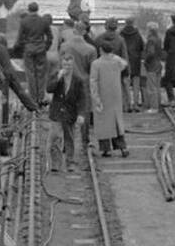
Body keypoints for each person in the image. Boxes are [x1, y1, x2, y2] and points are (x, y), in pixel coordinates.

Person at [60, 20, 98, 150]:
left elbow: (62, 64)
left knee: (67, 111)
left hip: (68, 81)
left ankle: (67, 142)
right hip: (83, 82)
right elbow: (92, 69)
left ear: (74, 30)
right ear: (85, 32)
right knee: (84, 111)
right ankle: (85, 140)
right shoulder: (91, 50)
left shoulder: (64, 46)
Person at [0, 31, 36, 114]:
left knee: (4, 98)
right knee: (20, 92)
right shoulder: (2, 47)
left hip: (3, 76)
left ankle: (4, 121)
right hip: (11, 72)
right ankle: (34, 108)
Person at [46, 56, 86, 172]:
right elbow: (49, 89)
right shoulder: (57, 76)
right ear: (61, 65)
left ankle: (70, 162)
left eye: (69, 65)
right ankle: (55, 164)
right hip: (57, 111)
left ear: (73, 65)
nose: (67, 68)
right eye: (64, 65)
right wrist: (58, 78)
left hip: (70, 112)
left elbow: (82, 98)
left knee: (70, 138)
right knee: (56, 137)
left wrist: (81, 114)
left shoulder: (78, 80)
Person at [11, 2, 53, 107]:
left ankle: (33, 98)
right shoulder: (43, 21)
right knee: (41, 75)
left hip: (29, 50)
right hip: (41, 51)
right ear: (38, 9)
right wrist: (45, 47)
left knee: (30, 74)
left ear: (29, 10)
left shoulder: (24, 22)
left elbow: (20, 39)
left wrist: (16, 48)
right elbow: (50, 37)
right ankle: (41, 97)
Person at [90, 43, 129, 157]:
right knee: (117, 122)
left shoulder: (96, 64)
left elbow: (93, 82)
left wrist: (95, 98)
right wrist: (114, 56)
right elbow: (124, 64)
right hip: (116, 96)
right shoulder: (116, 62)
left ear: (100, 49)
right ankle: (122, 147)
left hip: (102, 95)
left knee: (103, 123)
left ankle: (106, 149)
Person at [119, 17, 145, 110]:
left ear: (125, 23)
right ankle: (136, 104)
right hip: (135, 60)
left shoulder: (121, 34)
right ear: (133, 23)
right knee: (136, 84)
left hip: (124, 61)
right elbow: (142, 47)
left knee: (125, 83)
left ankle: (127, 104)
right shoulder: (137, 34)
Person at [142, 17, 167, 108]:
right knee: (157, 86)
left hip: (152, 65)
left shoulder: (151, 40)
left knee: (151, 88)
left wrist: (146, 60)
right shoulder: (159, 39)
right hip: (158, 64)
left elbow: (151, 52)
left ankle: (154, 107)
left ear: (150, 30)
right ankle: (158, 104)